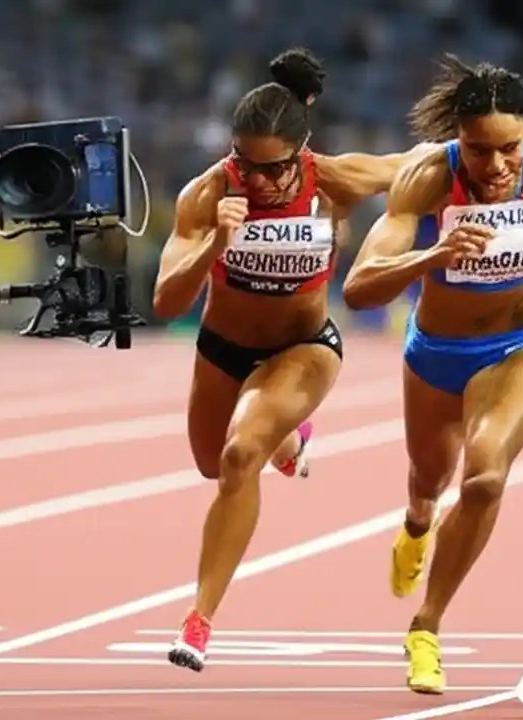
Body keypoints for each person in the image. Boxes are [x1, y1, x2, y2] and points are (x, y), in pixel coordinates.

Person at [341, 55, 523, 695]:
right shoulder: (426, 178)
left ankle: (426, 626)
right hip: (436, 351)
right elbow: (359, 288)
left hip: (521, 342)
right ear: (459, 141)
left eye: (510, 148)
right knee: (429, 481)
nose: (497, 166)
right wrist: (434, 253)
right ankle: (417, 523)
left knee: (486, 474)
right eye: (480, 151)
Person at [154, 47, 428, 672]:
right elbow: (166, 302)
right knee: (208, 462)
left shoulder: (334, 180)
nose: (255, 181)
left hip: (303, 348)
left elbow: (421, 168)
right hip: (223, 348)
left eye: (271, 168)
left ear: (301, 154)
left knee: (237, 454)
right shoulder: (207, 196)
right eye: (243, 164)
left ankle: (199, 620)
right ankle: (288, 441)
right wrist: (216, 244)